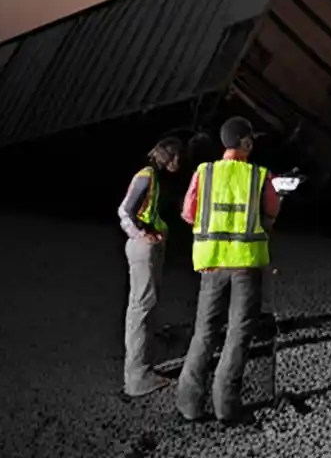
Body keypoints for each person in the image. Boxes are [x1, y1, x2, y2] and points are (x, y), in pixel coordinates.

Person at [175, 116, 282, 424]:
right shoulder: (261, 176)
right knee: (238, 334)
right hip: (245, 265)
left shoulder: (204, 173)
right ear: (245, 142)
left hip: (211, 263)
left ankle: (189, 405)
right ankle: (226, 406)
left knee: (204, 333)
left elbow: (188, 213)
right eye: (251, 139)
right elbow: (271, 213)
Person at [118, 136, 183, 397]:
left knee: (144, 307)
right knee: (141, 309)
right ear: (168, 156)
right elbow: (125, 211)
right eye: (178, 157)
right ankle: (137, 378)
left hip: (148, 247)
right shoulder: (146, 176)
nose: (180, 162)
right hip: (143, 249)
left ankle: (143, 370)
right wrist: (141, 234)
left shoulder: (155, 177)